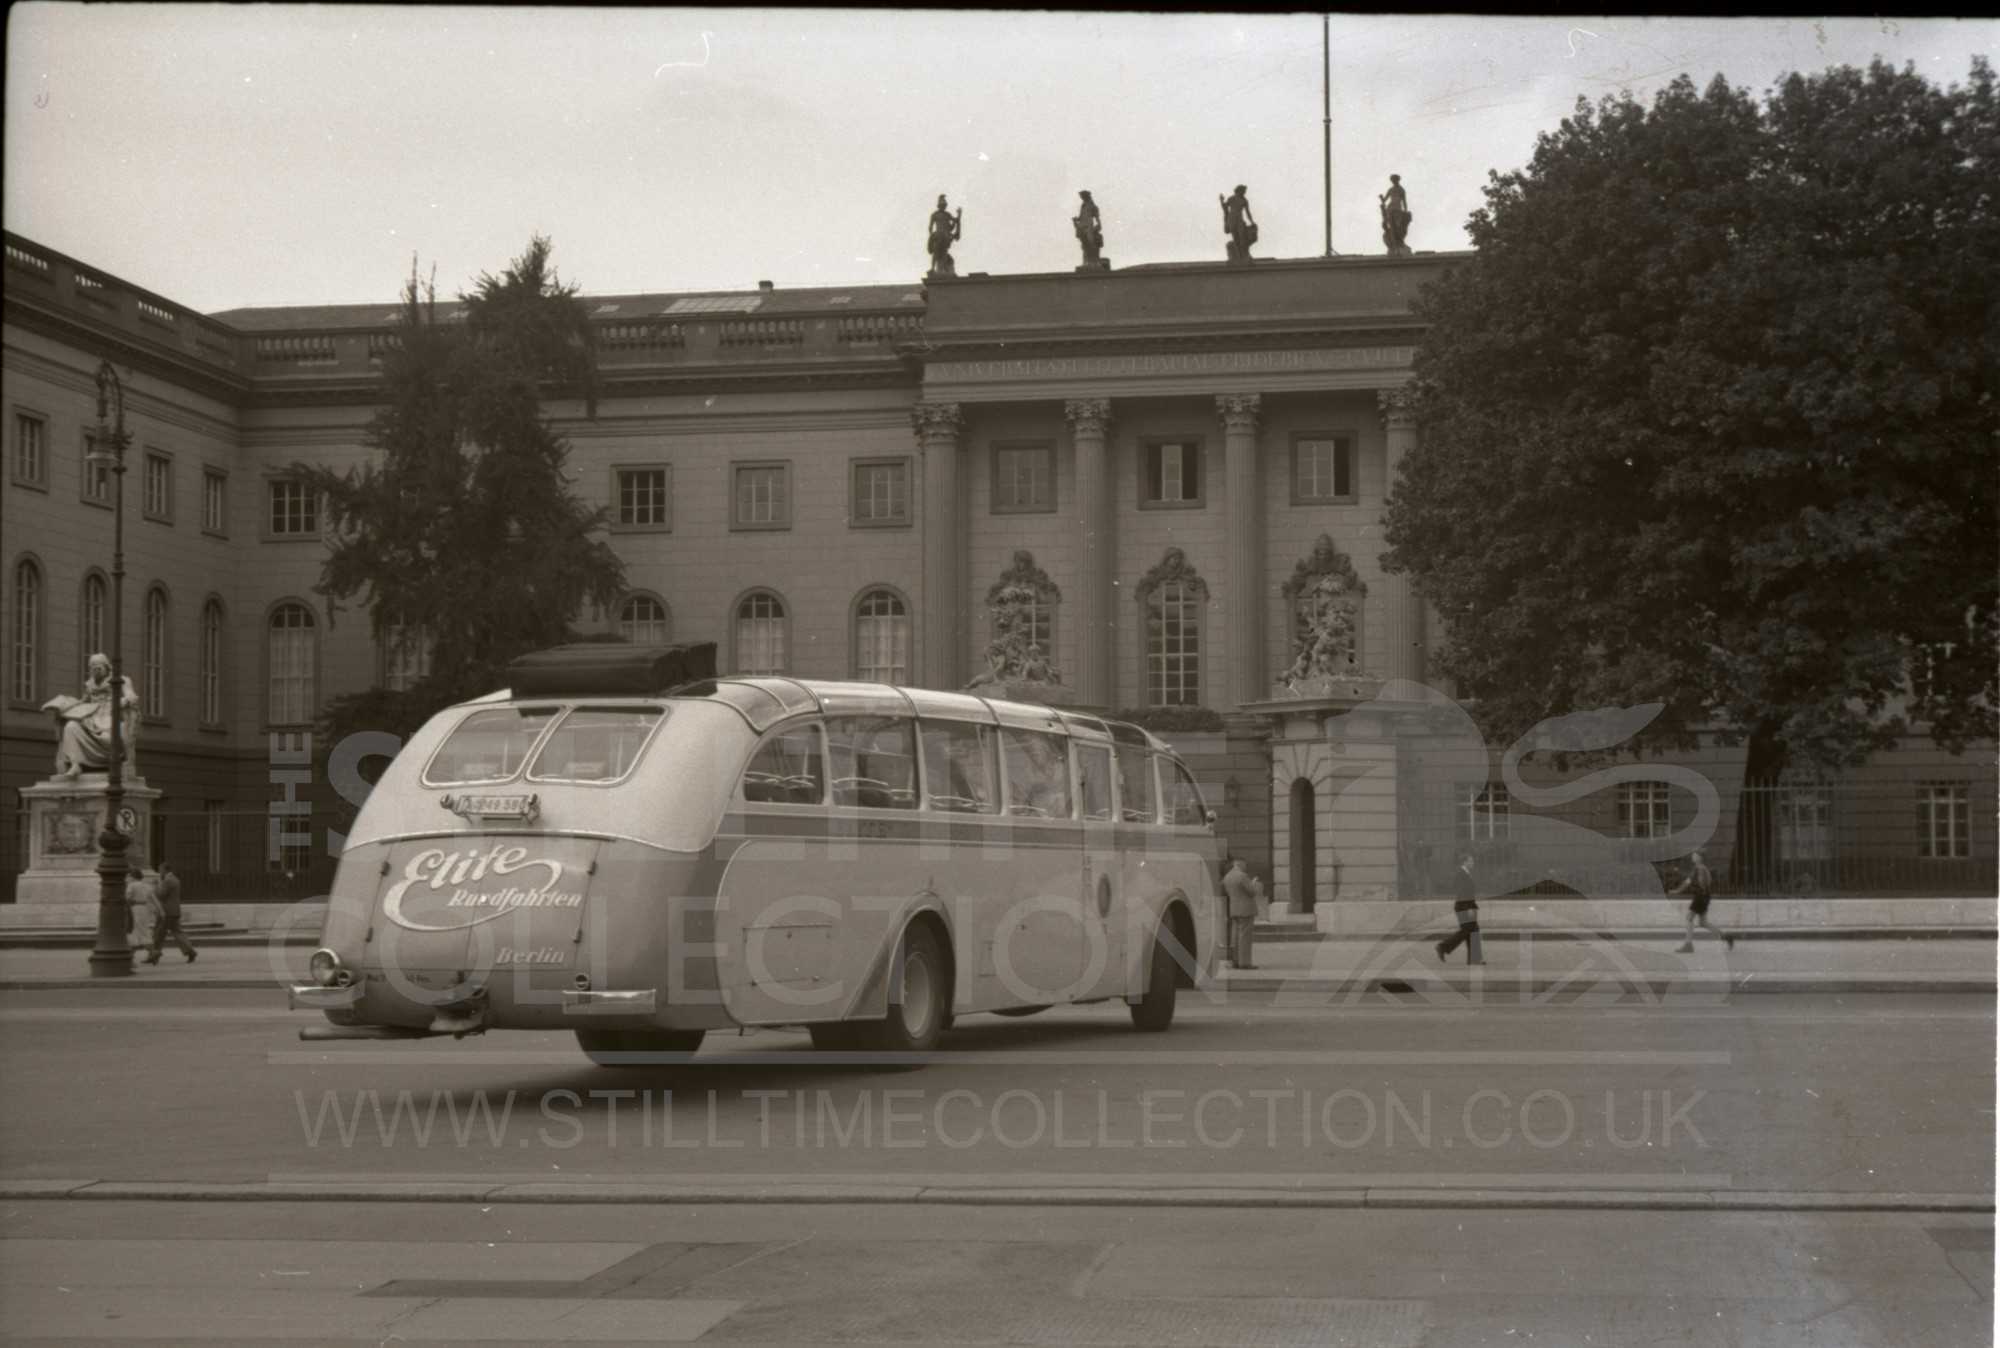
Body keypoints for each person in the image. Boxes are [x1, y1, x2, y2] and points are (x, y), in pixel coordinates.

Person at [42, 653, 140, 779]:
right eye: (92, 668)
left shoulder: (121, 680)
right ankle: (75, 764)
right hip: (92, 720)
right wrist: (64, 705)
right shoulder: (90, 684)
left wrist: (124, 701)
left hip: (111, 720)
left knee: (113, 734)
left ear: (106, 667)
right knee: (71, 726)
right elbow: (83, 701)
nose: (95, 671)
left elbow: (131, 696)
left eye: (98, 667)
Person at [1673, 850, 1734, 953]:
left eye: (1695, 855)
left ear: (1699, 858)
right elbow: (1690, 881)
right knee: (1703, 922)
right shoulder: (1700, 868)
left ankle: (1688, 945)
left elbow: (1695, 882)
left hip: (1700, 896)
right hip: (1704, 896)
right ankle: (1726, 937)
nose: (1693, 856)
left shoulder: (1700, 868)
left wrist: (1679, 890)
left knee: (1689, 918)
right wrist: (1678, 890)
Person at [1435, 852, 1484, 965]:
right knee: (1467, 930)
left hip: (1466, 905)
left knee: (1473, 930)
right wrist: (1469, 908)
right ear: (1465, 862)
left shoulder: (1465, 873)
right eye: (1471, 861)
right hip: (1465, 906)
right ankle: (1442, 947)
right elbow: (1463, 892)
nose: (1473, 863)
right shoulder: (1461, 874)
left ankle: (1474, 959)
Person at [145, 861, 197, 964]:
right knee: (177, 932)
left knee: (158, 934)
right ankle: (190, 950)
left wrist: (156, 885)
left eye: (160, 870)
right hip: (174, 911)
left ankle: (154, 955)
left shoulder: (167, 880)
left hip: (166, 911)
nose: (159, 872)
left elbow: (161, 895)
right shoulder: (175, 879)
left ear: (165, 870)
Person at [1223, 856, 1263, 970]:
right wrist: (1254, 883)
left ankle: (1235, 961)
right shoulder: (1242, 876)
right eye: (1245, 865)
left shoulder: (1227, 877)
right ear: (1240, 864)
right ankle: (1245, 962)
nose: (1246, 867)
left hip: (1234, 909)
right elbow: (1252, 892)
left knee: (1235, 937)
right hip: (1246, 910)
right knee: (1245, 937)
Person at [125, 866, 162, 947]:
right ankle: (140, 947)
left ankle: (150, 949)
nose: (128, 878)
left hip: (135, 908)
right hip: (145, 908)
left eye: (129, 876)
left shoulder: (132, 885)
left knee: (135, 928)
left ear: (133, 876)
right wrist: (160, 910)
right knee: (144, 928)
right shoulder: (147, 886)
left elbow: (127, 897)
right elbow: (154, 899)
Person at [927, 194, 962, 277]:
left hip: (946, 235)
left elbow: (953, 224)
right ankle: (932, 268)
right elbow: (930, 226)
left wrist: (959, 214)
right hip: (938, 235)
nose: (943, 206)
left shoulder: (947, 214)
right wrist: (931, 235)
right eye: (942, 205)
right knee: (936, 251)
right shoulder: (934, 214)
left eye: (944, 205)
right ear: (939, 205)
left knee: (944, 252)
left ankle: (942, 269)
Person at [1219, 185, 1257, 262]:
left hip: (1239, 219)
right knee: (1236, 238)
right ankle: (1240, 256)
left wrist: (1252, 221)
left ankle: (1244, 255)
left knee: (1242, 237)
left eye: (1245, 191)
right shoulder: (1231, 198)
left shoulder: (1244, 200)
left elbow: (1248, 212)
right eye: (1244, 191)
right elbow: (1225, 207)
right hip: (1232, 219)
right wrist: (1221, 200)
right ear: (1239, 191)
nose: (1245, 193)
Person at [1379, 174, 1412, 255]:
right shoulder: (1390, 189)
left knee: (1398, 225)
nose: (1393, 181)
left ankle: (1399, 242)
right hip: (1390, 208)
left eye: (1394, 180)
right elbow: (1384, 200)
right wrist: (1381, 198)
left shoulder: (1401, 190)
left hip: (1398, 209)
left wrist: (1405, 210)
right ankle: (1395, 244)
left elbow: (1404, 201)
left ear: (1398, 180)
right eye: (1392, 180)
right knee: (1392, 226)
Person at [1073, 190, 1105, 268]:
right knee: (1084, 245)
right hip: (1082, 226)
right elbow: (1081, 217)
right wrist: (1076, 219)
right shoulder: (1083, 206)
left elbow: (1097, 217)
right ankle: (1086, 262)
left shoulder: (1092, 206)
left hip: (1089, 226)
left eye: (1083, 196)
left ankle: (1094, 262)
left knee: (1091, 243)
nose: (1082, 198)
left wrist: (1099, 225)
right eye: (1081, 197)